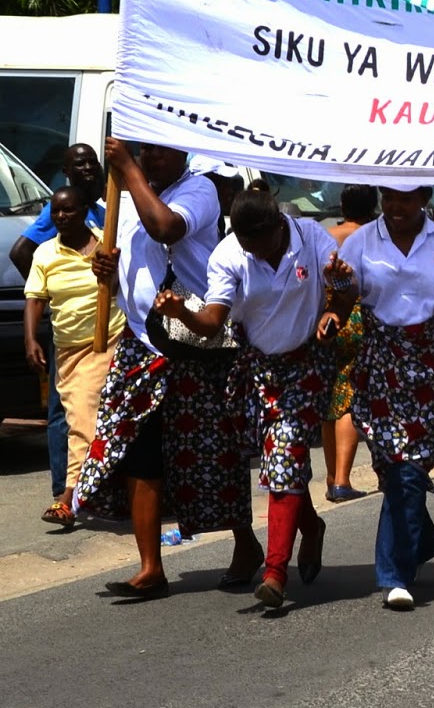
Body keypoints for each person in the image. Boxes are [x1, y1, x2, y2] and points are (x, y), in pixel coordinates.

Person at [75, 139, 263, 600]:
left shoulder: (195, 189)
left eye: (162, 151)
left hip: (193, 341)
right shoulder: (122, 198)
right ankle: (149, 566)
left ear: (181, 154)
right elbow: (132, 266)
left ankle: (246, 544)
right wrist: (108, 269)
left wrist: (124, 168)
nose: (153, 159)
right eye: (146, 152)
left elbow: (166, 229)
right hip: (141, 343)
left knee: (212, 451)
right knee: (139, 451)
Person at [153, 190, 348, 609]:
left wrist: (336, 309)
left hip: (307, 363)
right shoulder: (228, 254)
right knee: (282, 457)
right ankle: (310, 527)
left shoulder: (312, 238)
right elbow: (210, 323)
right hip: (257, 368)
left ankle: (276, 572)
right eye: (245, 243)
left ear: (279, 226)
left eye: (259, 243)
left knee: (284, 451)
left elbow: (342, 291)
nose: (253, 251)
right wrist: (182, 312)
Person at [338, 186, 434, 610]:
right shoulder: (362, 241)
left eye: (405, 200)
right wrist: (335, 291)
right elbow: (343, 296)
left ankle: (394, 576)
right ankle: (422, 540)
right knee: (393, 468)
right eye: (390, 198)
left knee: (409, 467)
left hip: (430, 365)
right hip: (380, 362)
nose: (395, 208)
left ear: (422, 198)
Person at [10, 143, 106, 518]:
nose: (87, 169)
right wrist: (51, 296)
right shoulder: (63, 210)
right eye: (78, 164)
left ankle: (85, 489)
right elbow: (22, 252)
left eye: (91, 163)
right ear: (66, 171)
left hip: (103, 335)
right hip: (66, 334)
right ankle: (62, 490)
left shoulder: (98, 213)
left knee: (89, 412)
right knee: (63, 413)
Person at [23, 185, 123, 529]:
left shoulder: (107, 245)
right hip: (68, 349)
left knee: (83, 418)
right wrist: (31, 340)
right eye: (56, 211)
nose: (62, 217)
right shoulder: (45, 254)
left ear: (84, 211)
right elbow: (35, 299)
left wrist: (112, 272)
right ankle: (99, 491)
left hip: (108, 340)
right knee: (80, 418)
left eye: (69, 210)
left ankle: (68, 497)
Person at [322, 183, 378, 502]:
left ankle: (333, 478)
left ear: (343, 206)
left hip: (328, 319)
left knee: (331, 397)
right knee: (348, 399)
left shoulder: (328, 235)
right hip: (356, 317)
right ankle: (341, 479)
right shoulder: (373, 236)